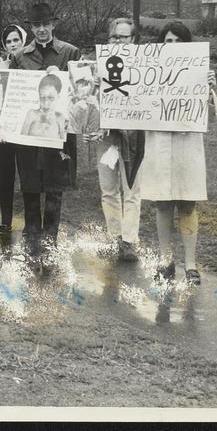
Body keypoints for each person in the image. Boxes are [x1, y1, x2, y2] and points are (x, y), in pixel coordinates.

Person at [140, 21, 216, 285]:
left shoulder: (198, 74)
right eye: (167, 42)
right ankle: (165, 261)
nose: (172, 46)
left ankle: (191, 265)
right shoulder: (149, 72)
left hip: (187, 146)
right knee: (162, 203)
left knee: (187, 202)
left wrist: (207, 88)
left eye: (178, 42)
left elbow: (212, 117)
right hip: (159, 144)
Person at [10, 3, 81, 263]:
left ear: (54, 24)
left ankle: (50, 241)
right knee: (29, 185)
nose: (41, 30)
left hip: (58, 134)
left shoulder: (70, 53)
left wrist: (61, 76)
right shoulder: (20, 56)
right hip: (30, 132)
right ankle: (32, 237)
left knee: (54, 188)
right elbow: (14, 95)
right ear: (31, 27)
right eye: (36, 25)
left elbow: (80, 91)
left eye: (45, 24)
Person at [88, 18, 144, 263]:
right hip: (107, 135)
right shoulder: (99, 65)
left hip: (133, 134)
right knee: (108, 187)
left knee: (132, 187)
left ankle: (129, 240)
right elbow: (86, 103)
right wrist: (93, 87)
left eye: (124, 37)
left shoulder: (145, 65)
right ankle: (114, 237)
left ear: (133, 40)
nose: (118, 42)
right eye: (114, 37)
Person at [0, 23, 28, 237]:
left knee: (26, 177)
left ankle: (28, 221)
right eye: (9, 41)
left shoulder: (32, 64)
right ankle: (6, 220)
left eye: (16, 40)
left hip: (25, 130)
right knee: (5, 175)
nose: (13, 44)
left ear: (23, 41)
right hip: (4, 130)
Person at [19, 73, 67, 140]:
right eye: (42, 98)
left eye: (51, 98)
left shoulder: (60, 118)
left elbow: (64, 144)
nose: (46, 103)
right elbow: (21, 140)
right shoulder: (32, 114)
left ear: (58, 97)